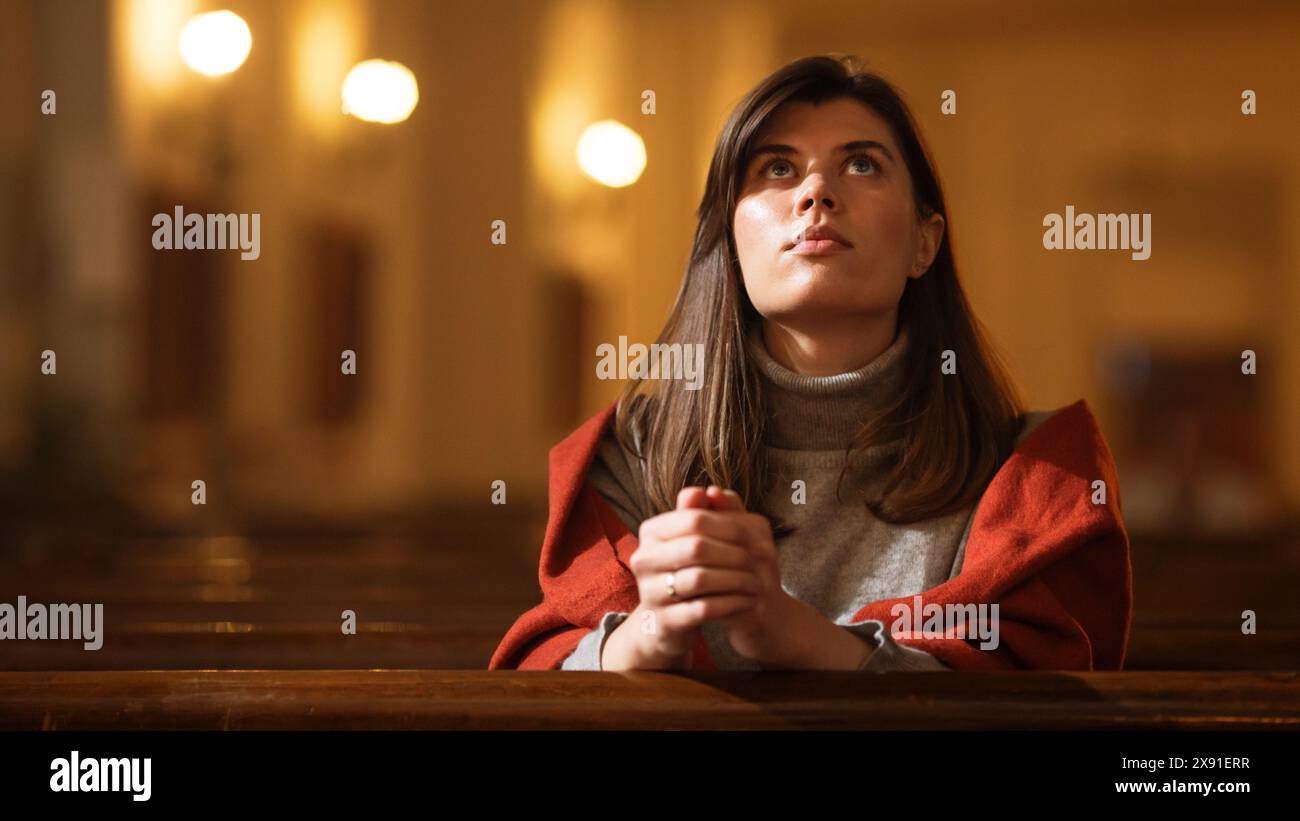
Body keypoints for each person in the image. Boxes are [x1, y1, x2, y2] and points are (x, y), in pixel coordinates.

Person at [489, 54, 1132, 673]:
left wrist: (791, 632)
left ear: (923, 241)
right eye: (776, 168)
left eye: (860, 164)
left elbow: (1042, 690)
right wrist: (649, 634)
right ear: (731, 242)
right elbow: (549, 676)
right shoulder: (630, 454)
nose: (817, 191)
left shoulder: (1031, 471)